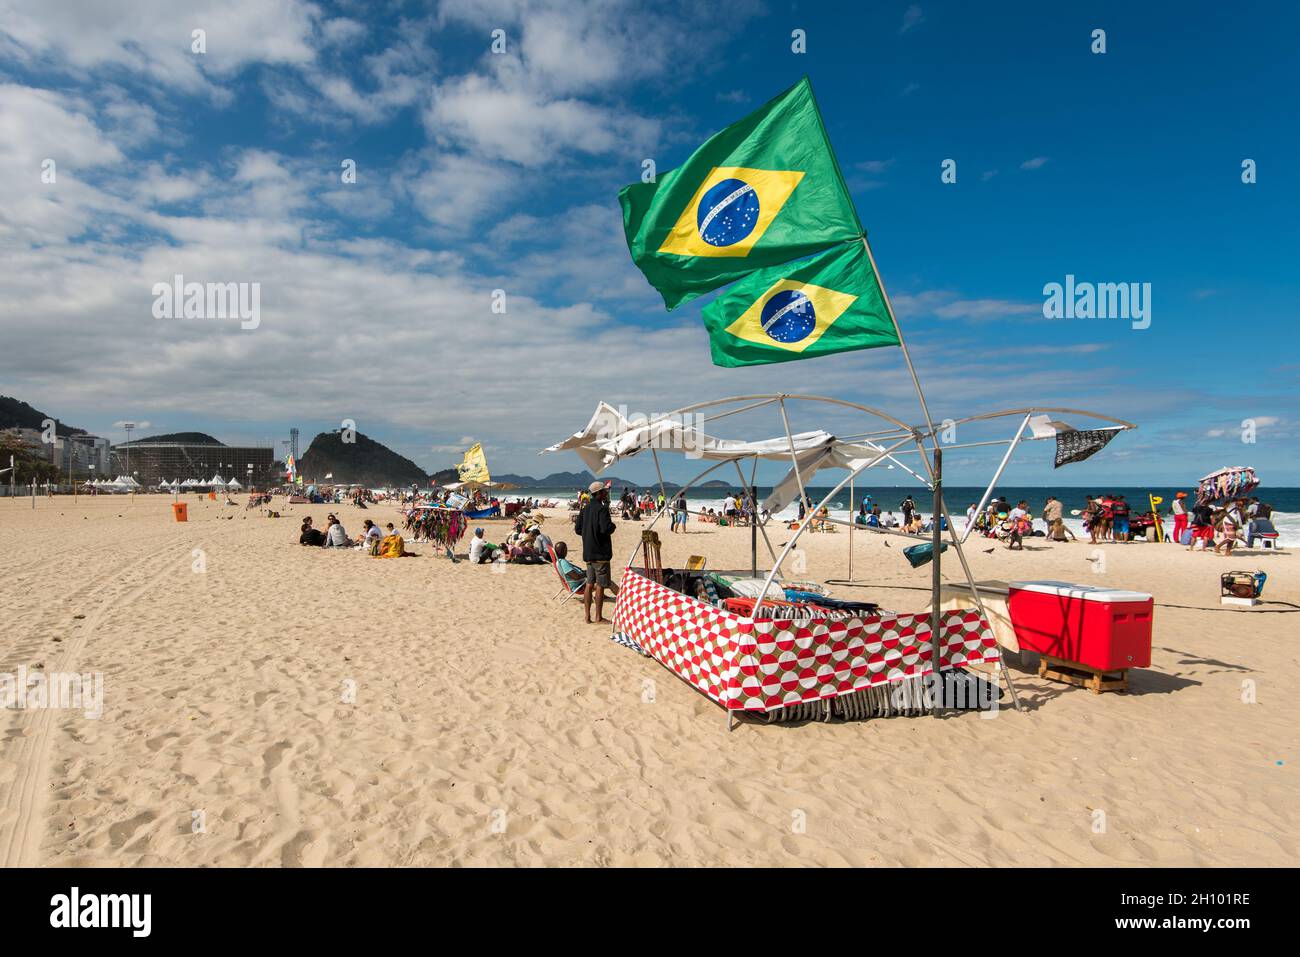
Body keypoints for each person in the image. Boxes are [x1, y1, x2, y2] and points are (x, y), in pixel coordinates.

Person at [574, 481, 618, 624]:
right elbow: (606, 529)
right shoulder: (602, 509)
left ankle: (587, 616)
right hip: (600, 553)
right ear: (598, 494)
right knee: (600, 585)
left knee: (589, 584)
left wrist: (589, 534)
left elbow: (578, 529)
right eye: (604, 492)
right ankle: (598, 617)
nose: (606, 493)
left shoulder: (585, 508)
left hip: (588, 552)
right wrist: (613, 526)